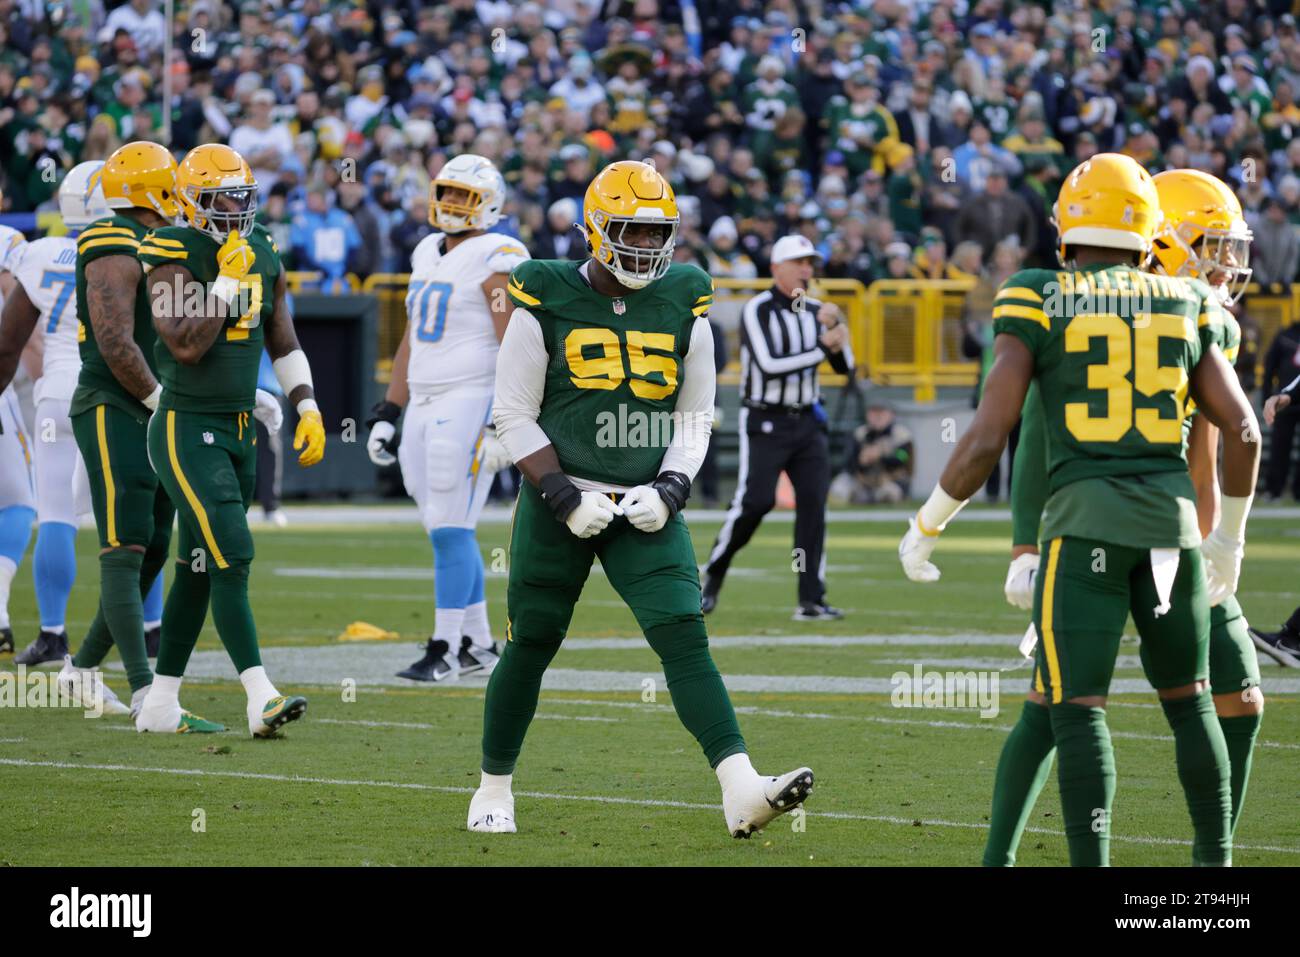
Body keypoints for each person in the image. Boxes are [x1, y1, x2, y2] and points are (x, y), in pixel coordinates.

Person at [899, 154, 1260, 867]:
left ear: (1066, 225)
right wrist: (1227, 543)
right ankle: (1214, 871)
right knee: (1190, 701)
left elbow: (992, 435)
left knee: (1077, 709)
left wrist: (928, 523)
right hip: (1175, 537)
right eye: (1211, 246)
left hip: (1085, 529)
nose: (1225, 266)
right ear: (1152, 232)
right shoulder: (1189, 306)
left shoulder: (1040, 295)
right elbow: (1243, 430)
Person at [471, 160, 813, 837]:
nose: (647, 245)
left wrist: (673, 486)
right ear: (597, 228)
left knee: (684, 636)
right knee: (531, 642)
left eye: (658, 233)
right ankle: (493, 788)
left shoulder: (685, 298)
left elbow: (694, 415)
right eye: (632, 230)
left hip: (645, 501)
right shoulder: (544, 291)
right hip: (558, 498)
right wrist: (564, 496)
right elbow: (512, 413)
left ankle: (741, 788)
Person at [133, 143, 325, 737]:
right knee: (233, 554)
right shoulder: (170, 249)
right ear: (192, 202)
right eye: (220, 199)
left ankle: (160, 705)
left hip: (240, 429)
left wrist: (307, 405)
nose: (233, 209)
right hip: (187, 428)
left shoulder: (261, 246)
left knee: (198, 565)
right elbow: (184, 345)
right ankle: (260, 696)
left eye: (240, 196)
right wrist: (222, 284)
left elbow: (282, 336)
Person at [365, 153, 523, 683]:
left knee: (452, 524)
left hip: (471, 397)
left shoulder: (498, 254)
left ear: (489, 204)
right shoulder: (425, 250)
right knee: (442, 523)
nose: (452, 203)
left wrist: (503, 420)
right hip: (425, 399)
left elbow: (514, 340)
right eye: (447, 192)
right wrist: (390, 409)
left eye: (464, 195)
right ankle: (479, 645)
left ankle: (446, 647)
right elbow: (412, 337)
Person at [0, 162, 121, 706]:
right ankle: (151, 628)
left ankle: (52, 633)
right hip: (113, 392)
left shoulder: (40, 252)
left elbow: (11, 340)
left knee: (54, 514)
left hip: (54, 393)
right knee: (133, 515)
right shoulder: (129, 250)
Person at [701, 234, 854, 621]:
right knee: (755, 503)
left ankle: (811, 598)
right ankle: (714, 571)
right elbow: (769, 364)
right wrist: (824, 345)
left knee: (813, 504)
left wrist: (839, 332)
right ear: (776, 268)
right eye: (798, 262)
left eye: (810, 263)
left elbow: (846, 368)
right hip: (766, 421)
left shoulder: (818, 310)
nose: (806, 269)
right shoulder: (758, 309)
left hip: (808, 421)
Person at [829, 399, 913, 504]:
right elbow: (848, 464)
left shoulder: (901, 434)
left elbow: (902, 458)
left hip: (890, 481)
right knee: (840, 486)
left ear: (891, 415)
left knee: (888, 494)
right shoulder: (860, 433)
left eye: (881, 412)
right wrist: (862, 461)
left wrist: (880, 457)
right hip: (863, 482)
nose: (877, 416)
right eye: (873, 412)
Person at [1260, 316, 1300, 499]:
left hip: (1289, 396)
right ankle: (1274, 489)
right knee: (1279, 447)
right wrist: (1269, 396)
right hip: (1286, 404)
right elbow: (1270, 367)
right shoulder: (1285, 336)